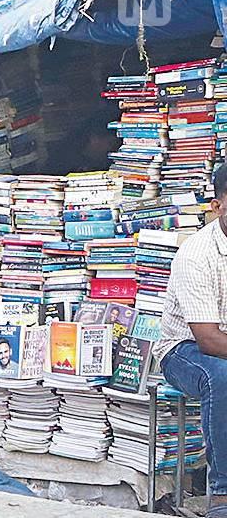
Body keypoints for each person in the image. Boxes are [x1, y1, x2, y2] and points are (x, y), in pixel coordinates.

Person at [156, 163, 227, 518]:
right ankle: (222, 494)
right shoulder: (198, 254)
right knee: (221, 377)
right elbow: (209, 340)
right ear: (218, 206)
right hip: (183, 350)